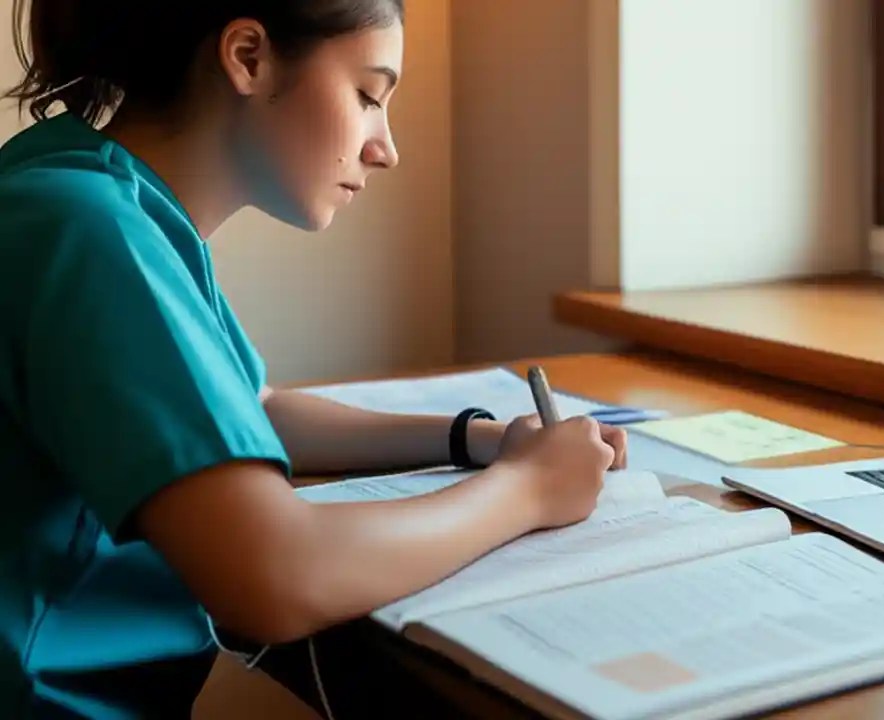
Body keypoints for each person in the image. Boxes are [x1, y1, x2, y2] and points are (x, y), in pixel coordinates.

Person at [0, 1, 628, 717]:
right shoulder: (87, 229)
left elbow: (255, 409)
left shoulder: (85, 190)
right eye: (368, 95)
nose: (385, 147)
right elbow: (273, 575)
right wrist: (529, 492)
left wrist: (478, 438)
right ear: (247, 57)